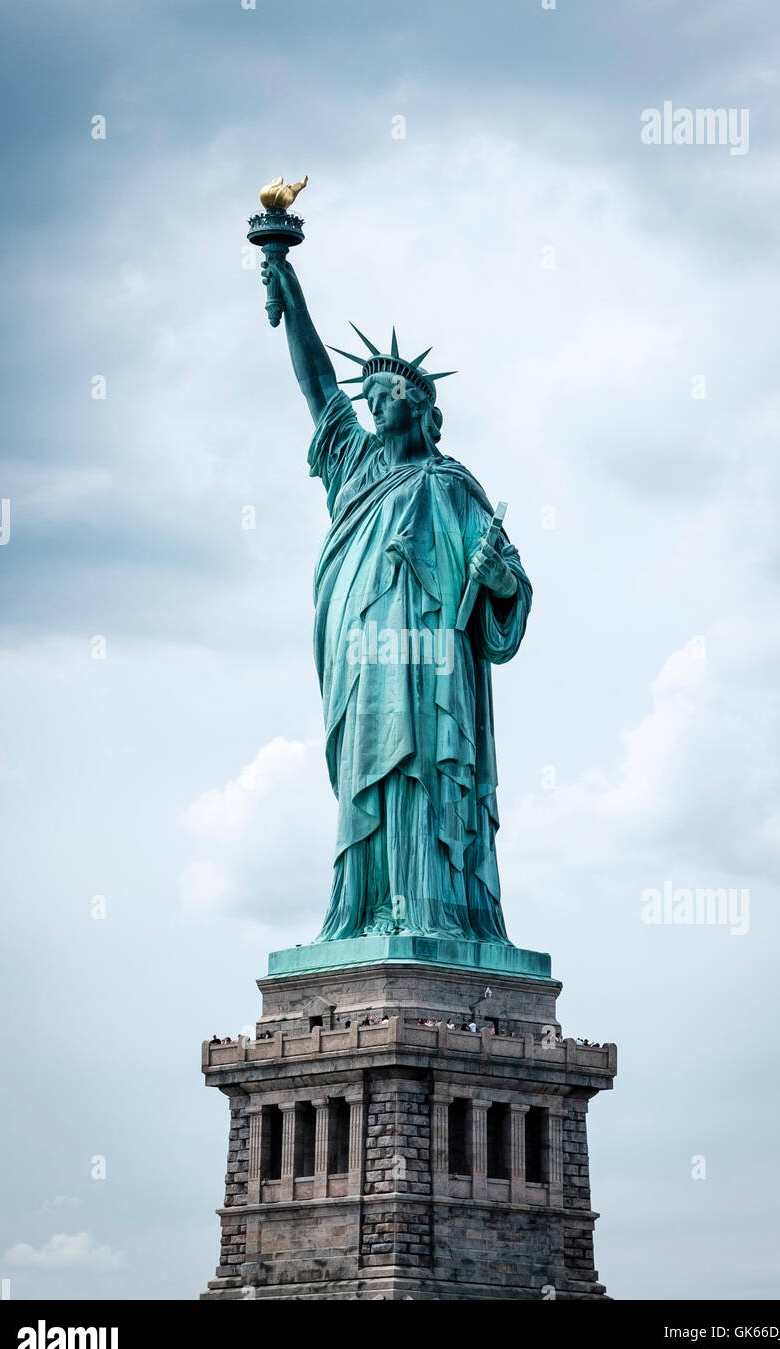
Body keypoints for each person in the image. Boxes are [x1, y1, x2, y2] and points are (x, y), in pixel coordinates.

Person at [260, 256, 532, 943]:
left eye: (388, 392)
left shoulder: (452, 486)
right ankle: (365, 909)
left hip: (431, 664)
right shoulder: (353, 465)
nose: (374, 400)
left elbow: (511, 591)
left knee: (427, 775)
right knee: (372, 775)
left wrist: (498, 580)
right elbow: (318, 384)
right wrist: (290, 289)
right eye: (370, 393)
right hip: (364, 660)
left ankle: (431, 909)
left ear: (425, 412)